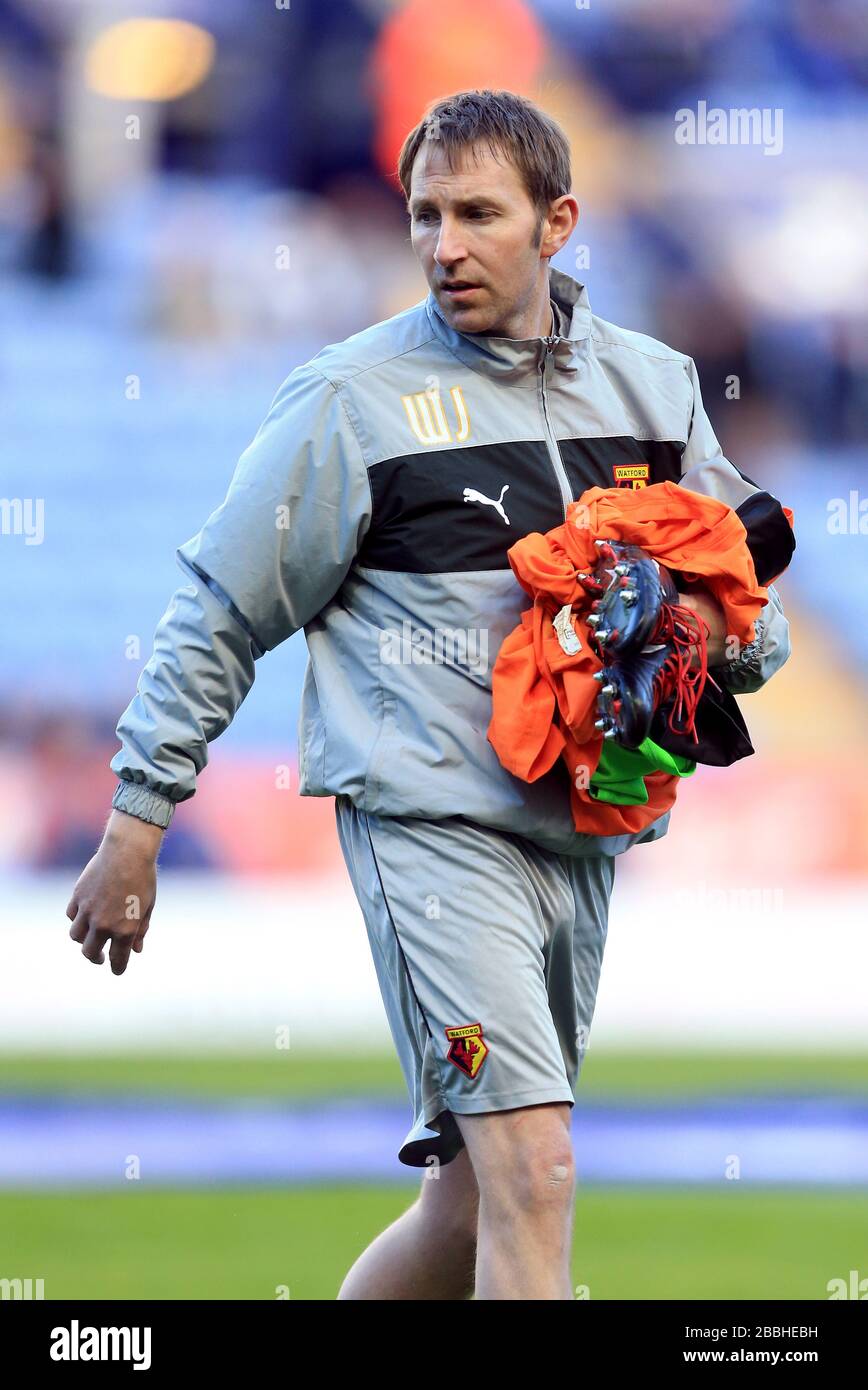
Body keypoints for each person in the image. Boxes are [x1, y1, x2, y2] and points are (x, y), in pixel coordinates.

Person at [66, 89, 792, 1300]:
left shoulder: (656, 388)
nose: (443, 244)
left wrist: (703, 631)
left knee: (466, 1199)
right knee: (535, 1170)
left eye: (477, 214)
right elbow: (221, 606)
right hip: (430, 828)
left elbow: (738, 602)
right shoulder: (350, 399)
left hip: (581, 834)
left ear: (557, 222)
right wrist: (136, 822)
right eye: (424, 215)